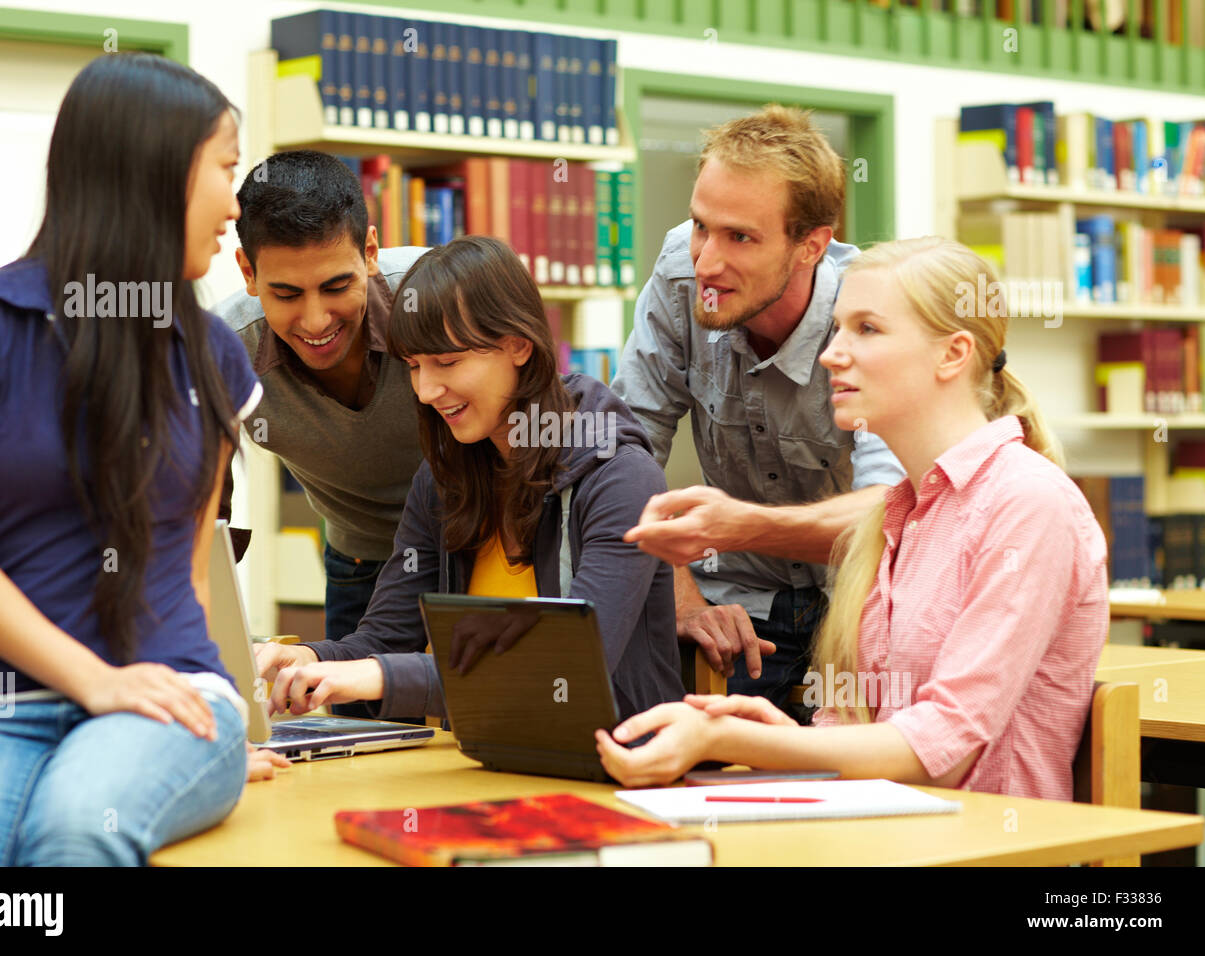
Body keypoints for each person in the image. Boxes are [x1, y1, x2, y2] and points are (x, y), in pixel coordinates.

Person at [0, 53, 285, 867]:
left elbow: (190, 574)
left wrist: (209, 749)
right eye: (225, 168)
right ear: (149, 166)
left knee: (79, 829)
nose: (235, 202)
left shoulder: (214, 352)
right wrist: (93, 680)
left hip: (171, 691)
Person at [598, 237, 1109, 801]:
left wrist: (734, 741)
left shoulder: (1028, 503)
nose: (831, 353)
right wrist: (780, 736)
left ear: (953, 354)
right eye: (838, 327)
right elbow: (863, 726)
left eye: (867, 329)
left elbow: (941, 753)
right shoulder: (898, 513)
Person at [255, 235, 683, 722]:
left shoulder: (619, 477)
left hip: (612, 769)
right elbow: (384, 637)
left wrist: (377, 675)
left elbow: (565, 667)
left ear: (518, 346)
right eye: (414, 366)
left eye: (448, 362)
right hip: (486, 761)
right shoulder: (442, 477)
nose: (426, 390)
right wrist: (311, 660)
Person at [610, 104, 904, 716]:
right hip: (739, 600)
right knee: (644, 746)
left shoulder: (875, 312)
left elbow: (888, 517)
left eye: (740, 236)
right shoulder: (681, 271)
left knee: (846, 783)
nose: (706, 262)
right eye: (700, 226)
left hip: (864, 599)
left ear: (810, 247)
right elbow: (622, 452)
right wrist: (682, 594)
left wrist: (737, 525)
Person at [215, 151, 427, 671]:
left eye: (336, 286)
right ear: (248, 271)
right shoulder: (223, 351)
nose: (315, 320)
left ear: (370, 251)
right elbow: (199, 518)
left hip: (482, 546)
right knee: (364, 736)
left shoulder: (435, 295)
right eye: (286, 293)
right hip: (362, 559)